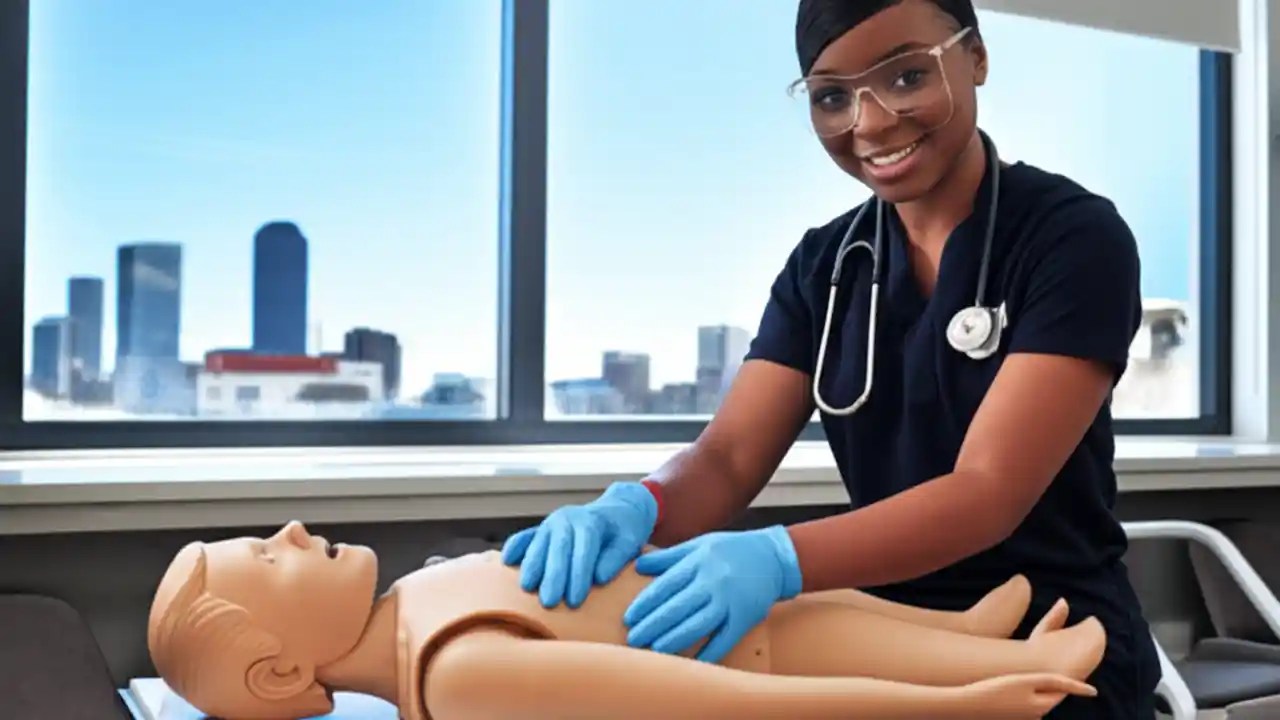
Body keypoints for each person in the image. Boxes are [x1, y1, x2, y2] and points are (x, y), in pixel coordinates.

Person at [501, 0, 1160, 717]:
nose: (870, 123)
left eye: (908, 76)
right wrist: (639, 502)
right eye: (832, 97)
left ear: (976, 58)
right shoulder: (826, 266)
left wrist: (780, 559)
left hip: (1055, 643)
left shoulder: (1072, 239)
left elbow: (987, 492)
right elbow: (725, 459)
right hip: (883, 642)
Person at [147, 520, 1106, 720]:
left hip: (737, 599)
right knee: (866, 645)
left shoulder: (415, 603)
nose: (293, 530)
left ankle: (969, 632)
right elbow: (707, 701)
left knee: (832, 594)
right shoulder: (455, 673)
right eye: (266, 560)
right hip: (752, 653)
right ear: (279, 674)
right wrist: (959, 708)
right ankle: (966, 667)